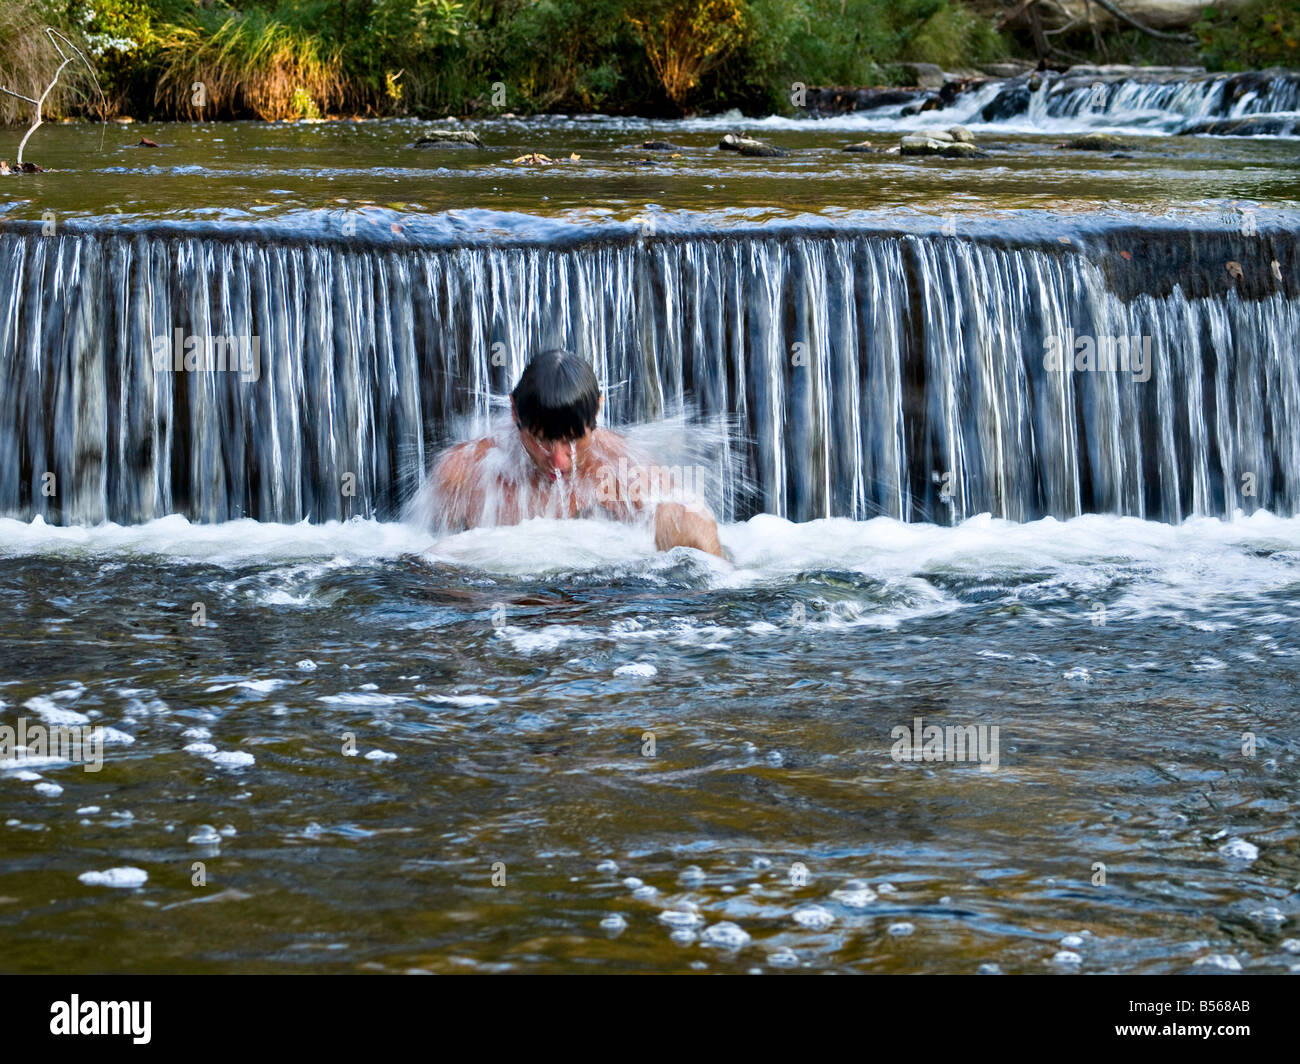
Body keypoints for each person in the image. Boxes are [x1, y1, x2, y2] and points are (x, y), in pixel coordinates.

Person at [426, 349, 724, 557]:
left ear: (597, 410)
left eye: (572, 441)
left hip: (594, 610)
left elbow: (693, 529)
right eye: (542, 440)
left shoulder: (619, 468)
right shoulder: (463, 475)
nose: (558, 461)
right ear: (515, 411)